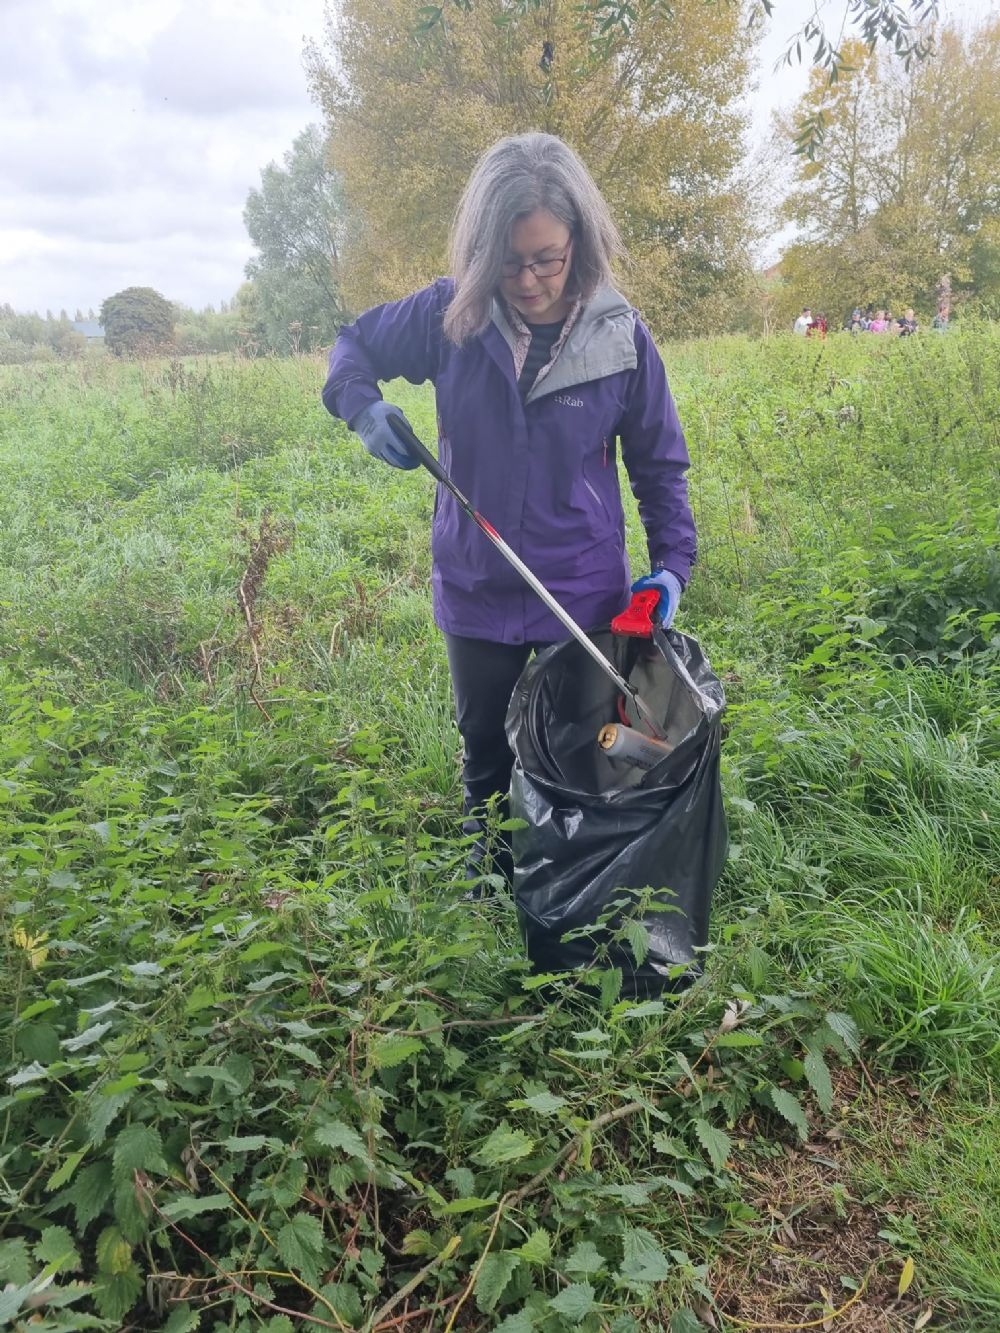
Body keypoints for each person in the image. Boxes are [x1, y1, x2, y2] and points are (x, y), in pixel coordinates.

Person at [321, 133, 696, 888]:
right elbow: (352, 347)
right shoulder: (448, 315)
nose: (528, 281)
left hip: (581, 593)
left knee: (583, 755)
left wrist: (670, 569)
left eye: (547, 260)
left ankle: (574, 891)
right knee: (486, 753)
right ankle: (488, 884)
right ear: (482, 251)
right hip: (476, 587)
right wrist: (362, 408)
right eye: (509, 262)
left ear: (580, 242)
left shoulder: (621, 339)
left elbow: (660, 467)